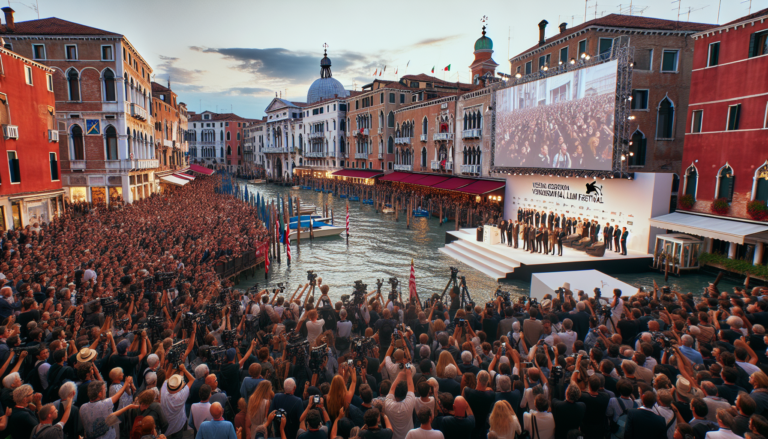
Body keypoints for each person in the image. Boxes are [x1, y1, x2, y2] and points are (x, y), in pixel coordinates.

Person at [160, 366, 195, 439]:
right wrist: (184, 369)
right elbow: (192, 380)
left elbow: (167, 378)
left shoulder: (163, 390)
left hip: (165, 427)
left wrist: (172, 367)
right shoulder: (181, 396)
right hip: (178, 427)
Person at [384, 366, 417, 439]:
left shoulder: (388, 404)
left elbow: (392, 389)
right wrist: (408, 370)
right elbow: (410, 386)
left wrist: (400, 374)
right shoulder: (409, 404)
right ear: (406, 394)